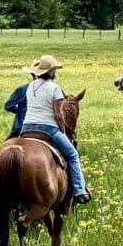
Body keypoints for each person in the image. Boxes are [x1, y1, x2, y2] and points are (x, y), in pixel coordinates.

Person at [18, 55, 91, 204]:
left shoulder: (31, 86)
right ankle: (79, 191)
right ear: (52, 72)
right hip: (48, 128)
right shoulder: (55, 88)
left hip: (26, 128)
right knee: (72, 155)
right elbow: (58, 114)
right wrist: (63, 131)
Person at [3, 59, 37, 139]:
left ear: (32, 74)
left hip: (20, 127)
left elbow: (8, 106)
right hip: (42, 127)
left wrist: (20, 110)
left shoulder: (22, 89)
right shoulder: (50, 89)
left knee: (3, 147)